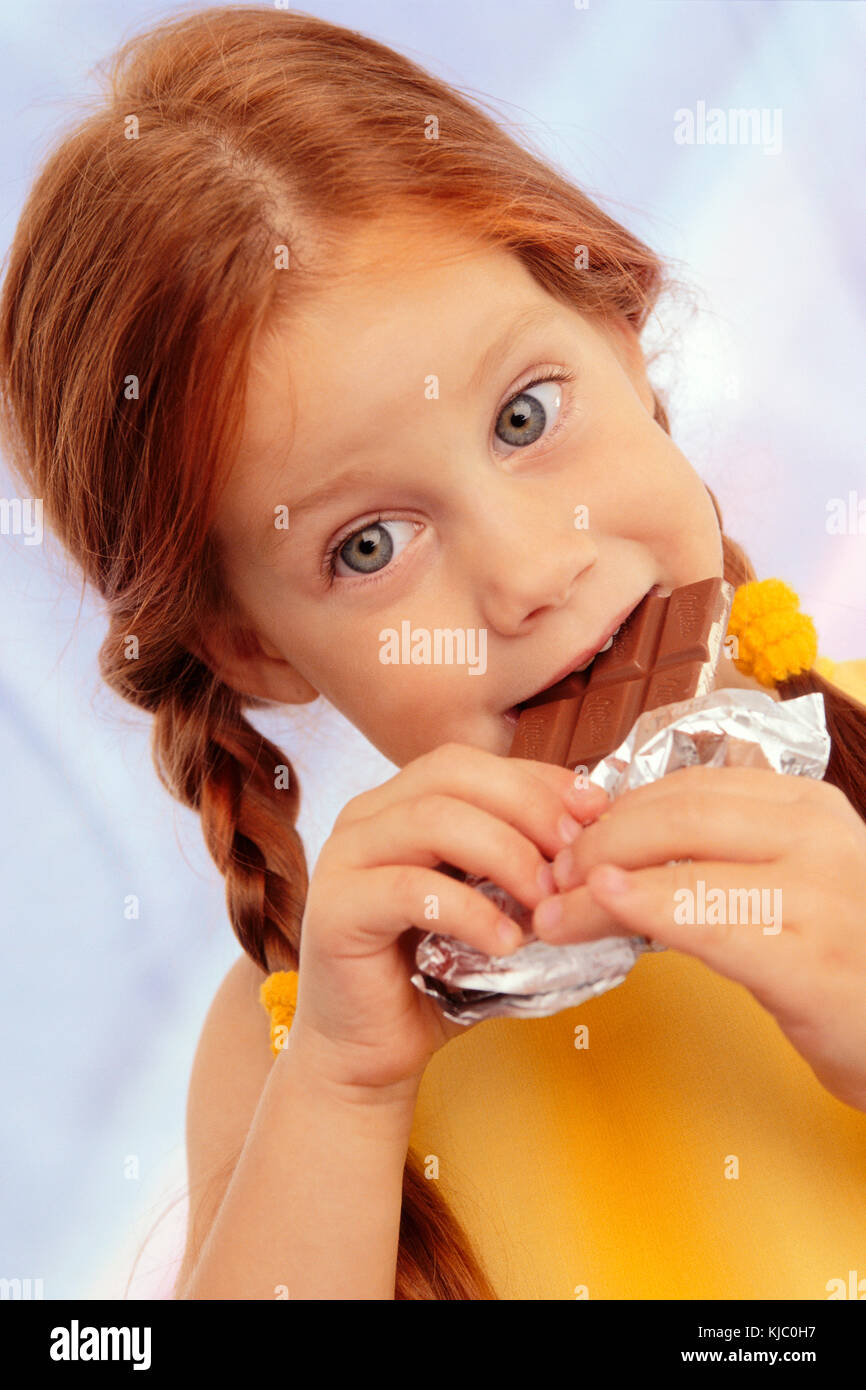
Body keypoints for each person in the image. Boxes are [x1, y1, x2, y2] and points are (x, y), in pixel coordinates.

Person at [1, 6, 864, 1301]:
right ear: (250, 645)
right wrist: (346, 1086)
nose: (526, 572)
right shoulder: (299, 1026)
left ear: (617, 332)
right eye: (367, 545)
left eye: (524, 413)